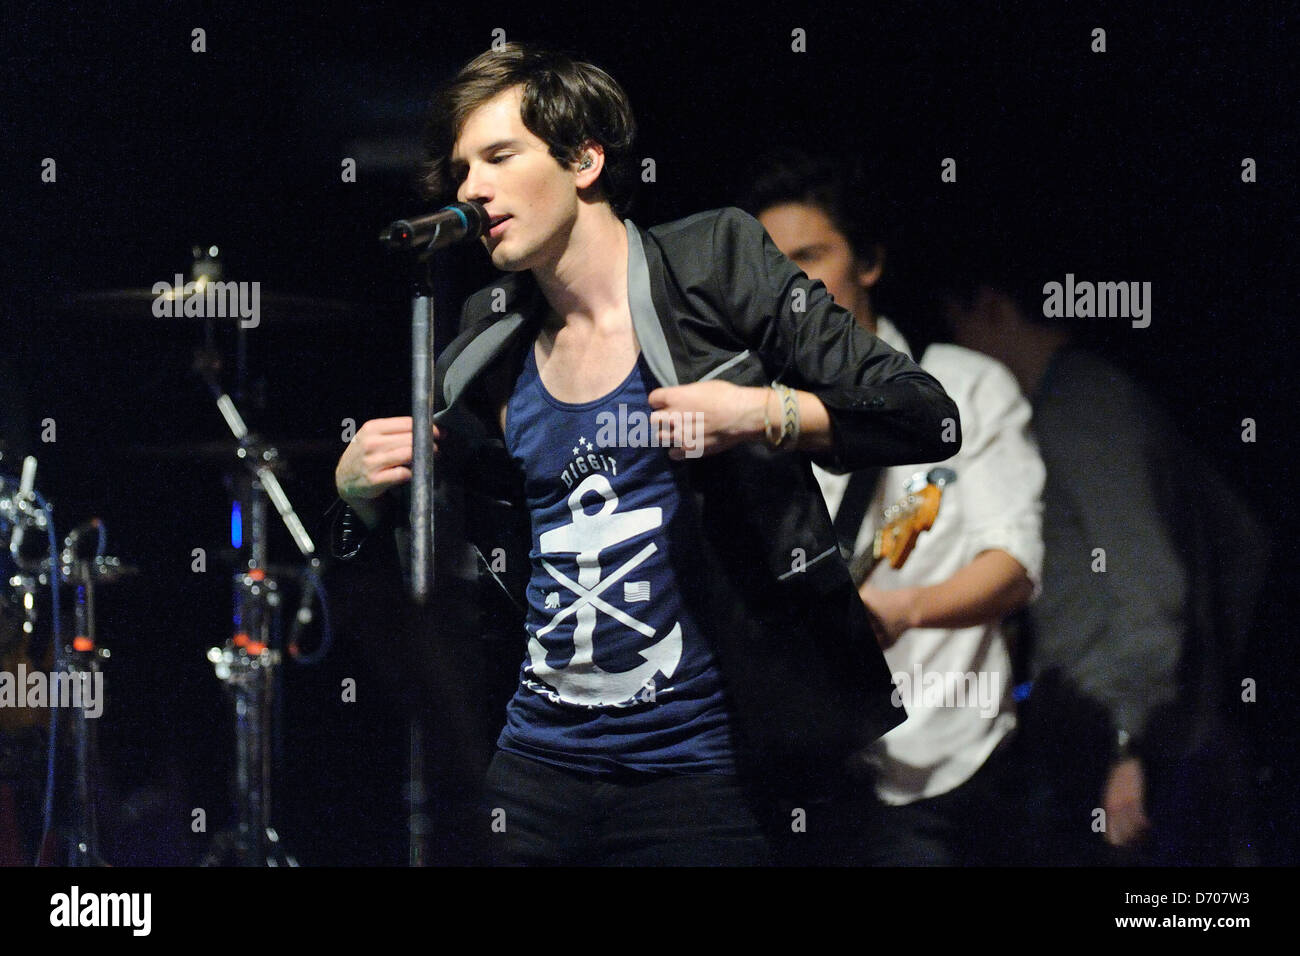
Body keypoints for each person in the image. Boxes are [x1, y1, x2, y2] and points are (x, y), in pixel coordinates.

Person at [329, 44, 961, 865]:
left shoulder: (714, 263)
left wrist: (761, 411)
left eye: (499, 156)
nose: (471, 189)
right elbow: (404, 583)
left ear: (584, 158)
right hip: (533, 776)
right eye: (460, 170)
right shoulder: (483, 341)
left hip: (702, 777)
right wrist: (352, 499)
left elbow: (925, 417)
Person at [743, 151, 1044, 865]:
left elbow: (1016, 564)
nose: (790, 284)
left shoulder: (964, 388)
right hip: (793, 779)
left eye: (809, 255)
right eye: (768, 265)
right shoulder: (744, 416)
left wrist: (902, 609)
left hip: (938, 772)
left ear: (869, 261)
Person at [940, 252, 1267, 865]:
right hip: (1166, 738)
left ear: (991, 309)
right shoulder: (1098, 395)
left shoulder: (1081, 406)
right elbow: (1243, 540)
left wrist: (1130, 741)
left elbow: (1152, 584)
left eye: (961, 329)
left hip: (1134, 759)